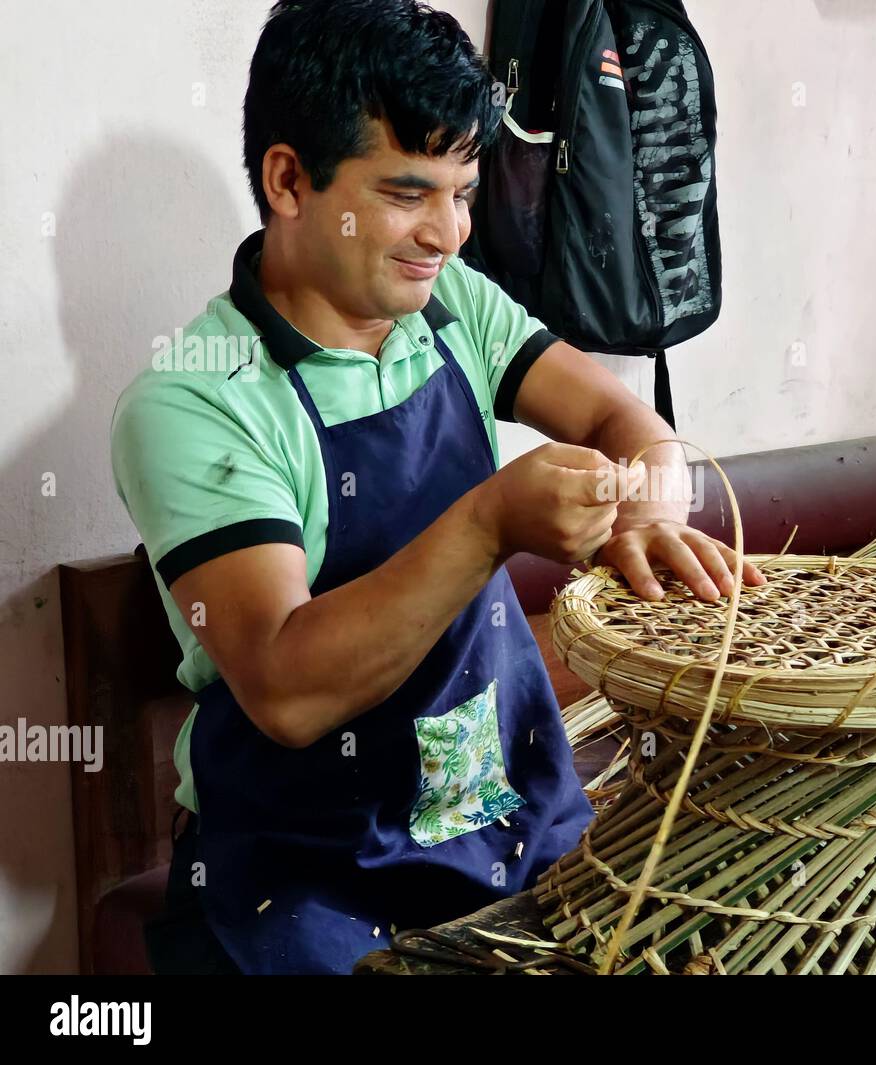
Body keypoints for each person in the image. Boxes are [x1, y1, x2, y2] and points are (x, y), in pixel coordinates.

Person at [110, 0, 763, 974]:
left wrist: (647, 509)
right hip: (307, 874)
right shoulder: (196, 399)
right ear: (289, 179)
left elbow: (624, 424)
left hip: (509, 819)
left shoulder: (444, 305)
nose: (448, 233)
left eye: (463, 191)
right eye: (409, 193)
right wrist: (495, 520)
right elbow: (288, 689)